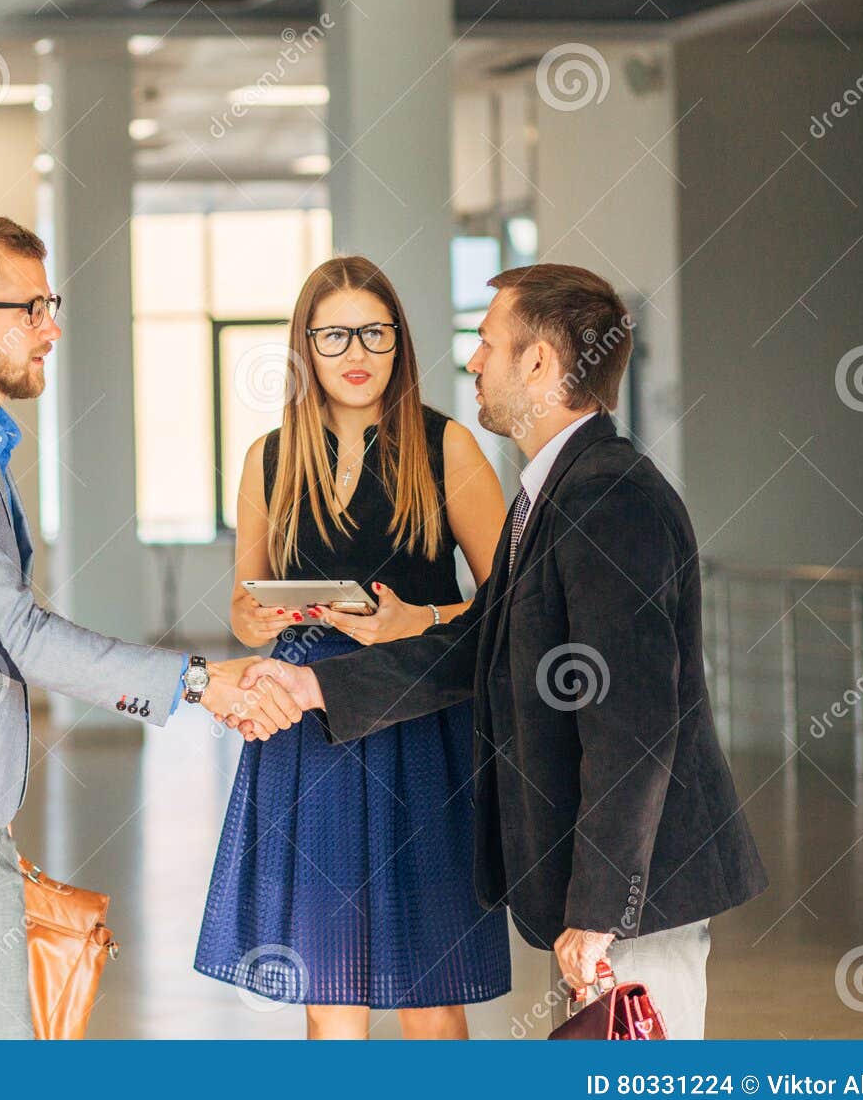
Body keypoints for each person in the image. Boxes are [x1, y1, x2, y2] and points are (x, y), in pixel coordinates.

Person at [240, 263, 768, 1039]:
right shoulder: (550, 493)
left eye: (487, 343)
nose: (473, 361)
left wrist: (596, 910)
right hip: (612, 889)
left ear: (541, 365)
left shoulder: (608, 496)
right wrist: (317, 687)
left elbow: (635, 727)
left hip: (641, 893)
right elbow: (476, 644)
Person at [0, 213, 295, 1040]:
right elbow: (14, 631)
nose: (50, 327)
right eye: (29, 308)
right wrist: (198, 681)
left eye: (51, 303)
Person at [195, 256, 512, 1039]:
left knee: (427, 990)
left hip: (420, 721)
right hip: (309, 736)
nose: (357, 351)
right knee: (328, 991)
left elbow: (517, 606)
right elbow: (242, 604)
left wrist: (419, 618)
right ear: (305, 347)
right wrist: (258, 617)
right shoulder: (268, 460)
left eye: (374, 331)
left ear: (400, 341)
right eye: (334, 335)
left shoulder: (447, 448)